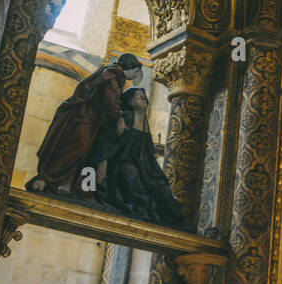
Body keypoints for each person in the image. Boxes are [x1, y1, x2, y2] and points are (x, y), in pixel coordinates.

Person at [29, 53, 143, 196]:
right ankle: (48, 180)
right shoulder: (112, 75)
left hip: (87, 118)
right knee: (75, 148)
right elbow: (108, 100)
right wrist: (119, 117)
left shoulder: (112, 74)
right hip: (83, 117)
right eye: (136, 72)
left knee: (80, 150)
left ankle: (65, 184)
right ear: (130, 67)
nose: (134, 76)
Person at [90, 86, 185, 227]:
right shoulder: (127, 118)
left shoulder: (144, 121)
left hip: (145, 165)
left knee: (162, 186)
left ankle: (173, 220)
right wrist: (102, 162)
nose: (144, 99)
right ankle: (145, 213)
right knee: (131, 175)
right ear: (130, 102)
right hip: (124, 163)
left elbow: (147, 149)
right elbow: (105, 140)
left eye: (144, 96)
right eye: (139, 97)